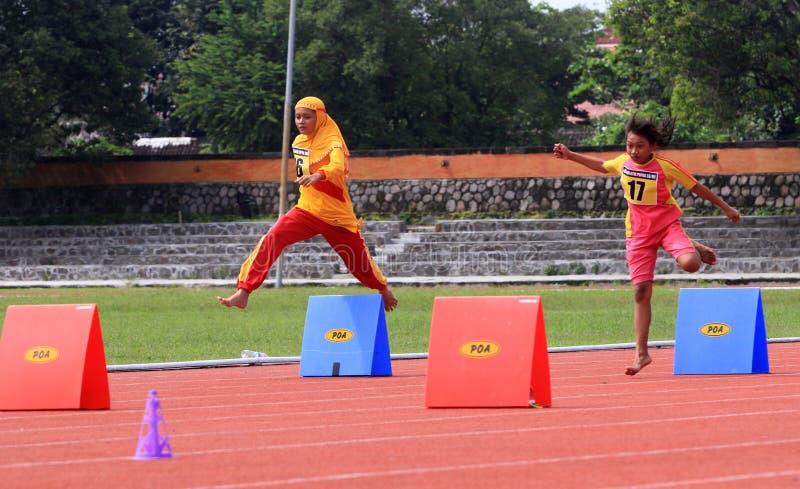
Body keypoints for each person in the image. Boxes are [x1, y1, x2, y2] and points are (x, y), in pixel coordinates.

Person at [553, 112, 740, 375]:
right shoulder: (623, 162)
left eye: (639, 146)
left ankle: (690, 245)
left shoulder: (666, 166)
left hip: (666, 227)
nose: (633, 150)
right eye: (630, 145)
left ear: (652, 146)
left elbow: (697, 187)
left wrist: (726, 207)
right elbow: (602, 165)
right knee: (641, 292)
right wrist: (570, 154)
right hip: (638, 235)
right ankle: (641, 354)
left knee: (690, 265)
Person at [217, 96, 398, 312]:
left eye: (307, 117)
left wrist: (319, 175)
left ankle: (383, 288)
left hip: (336, 217)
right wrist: (309, 181)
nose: (301, 121)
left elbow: (338, 166)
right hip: (307, 209)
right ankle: (244, 291)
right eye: (298, 117)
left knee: (358, 263)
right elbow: (303, 176)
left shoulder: (332, 140)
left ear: (320, 117)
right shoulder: (298, 142)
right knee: (273, 237)